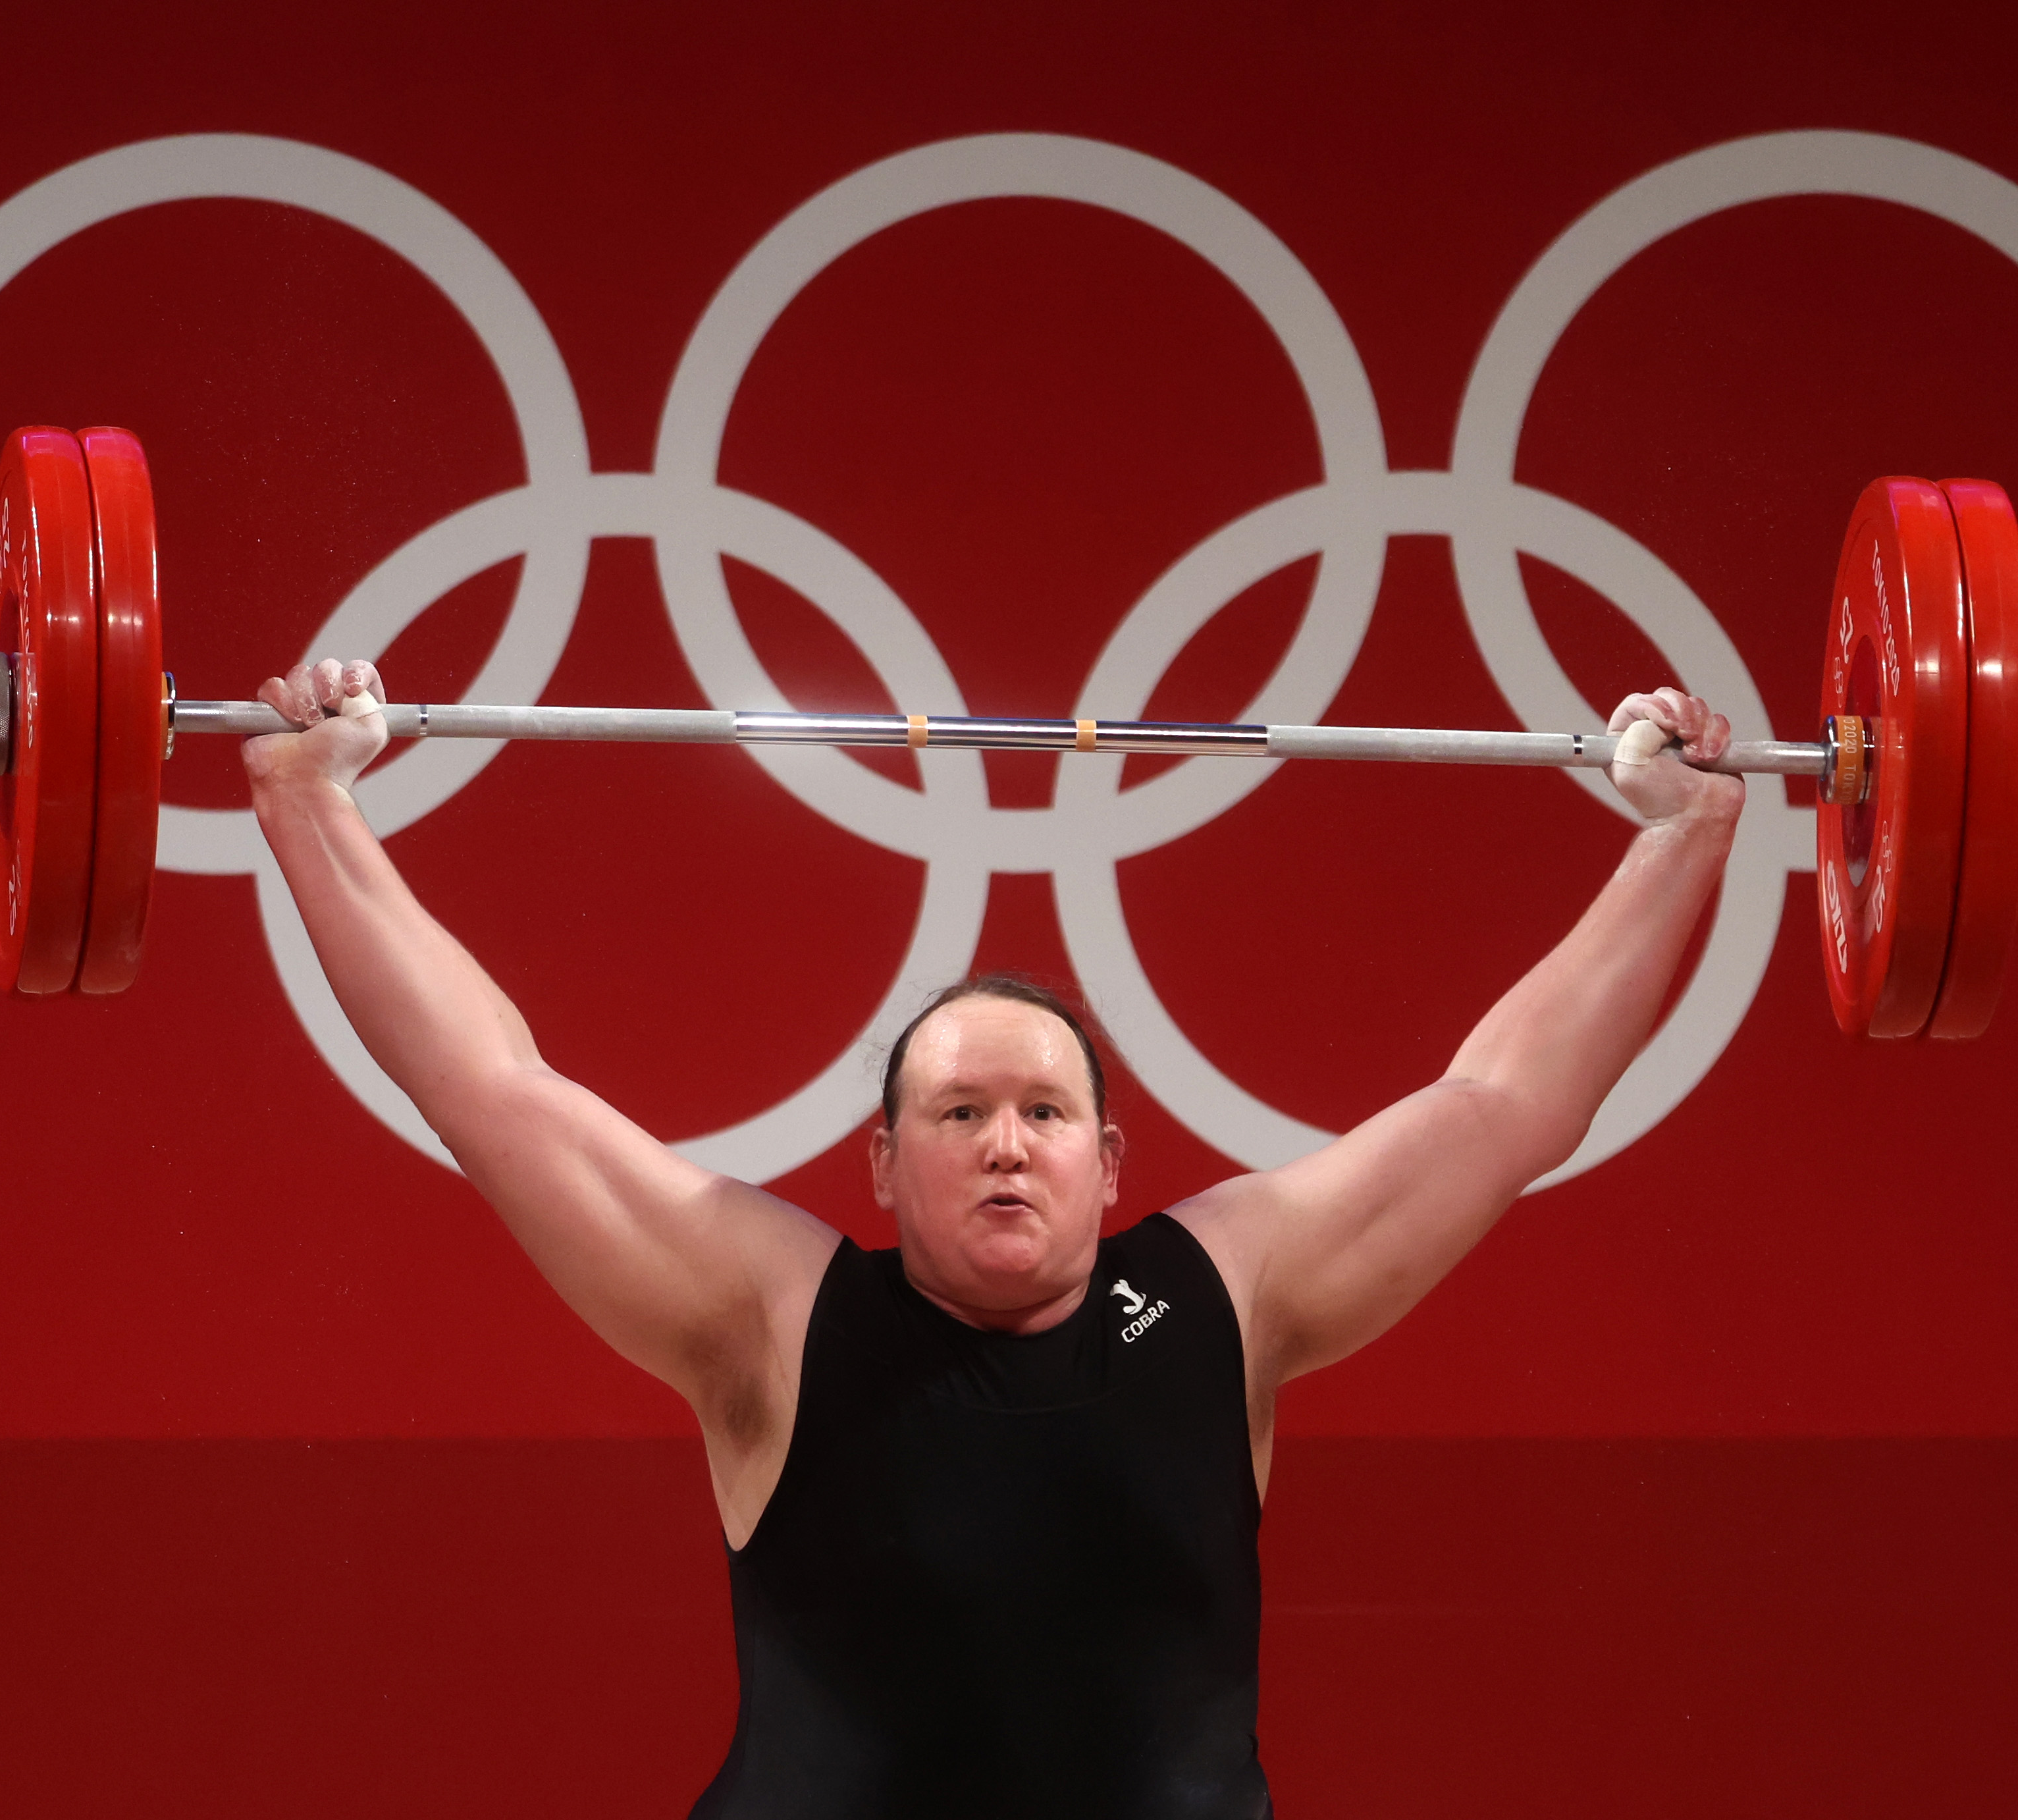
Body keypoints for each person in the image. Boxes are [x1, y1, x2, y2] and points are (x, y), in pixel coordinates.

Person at [246, 658, 1743, 1819]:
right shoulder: (771, 1320)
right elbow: (493, 1087)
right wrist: (312, 805)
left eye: (1044, 1111)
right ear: (885, 1165)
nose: (1008, 1141)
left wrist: (1684, 838)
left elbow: (1503, 1101)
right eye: (959, 1113)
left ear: (1111, 1161)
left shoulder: (1226, 1292)